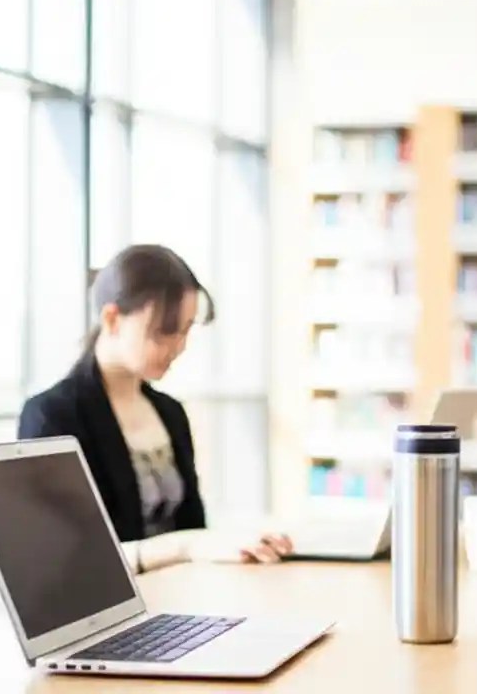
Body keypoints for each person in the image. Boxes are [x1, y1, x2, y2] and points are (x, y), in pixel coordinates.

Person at [18, 244, 290, 570]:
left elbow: (193, 526)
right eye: (164, 332)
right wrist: (186, 545)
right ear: (112, 319)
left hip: (181, 602)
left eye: (186, 330)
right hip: (113, 614)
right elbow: (65, 559)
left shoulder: (169, 412)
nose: (179, 347)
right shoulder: (52, 416)